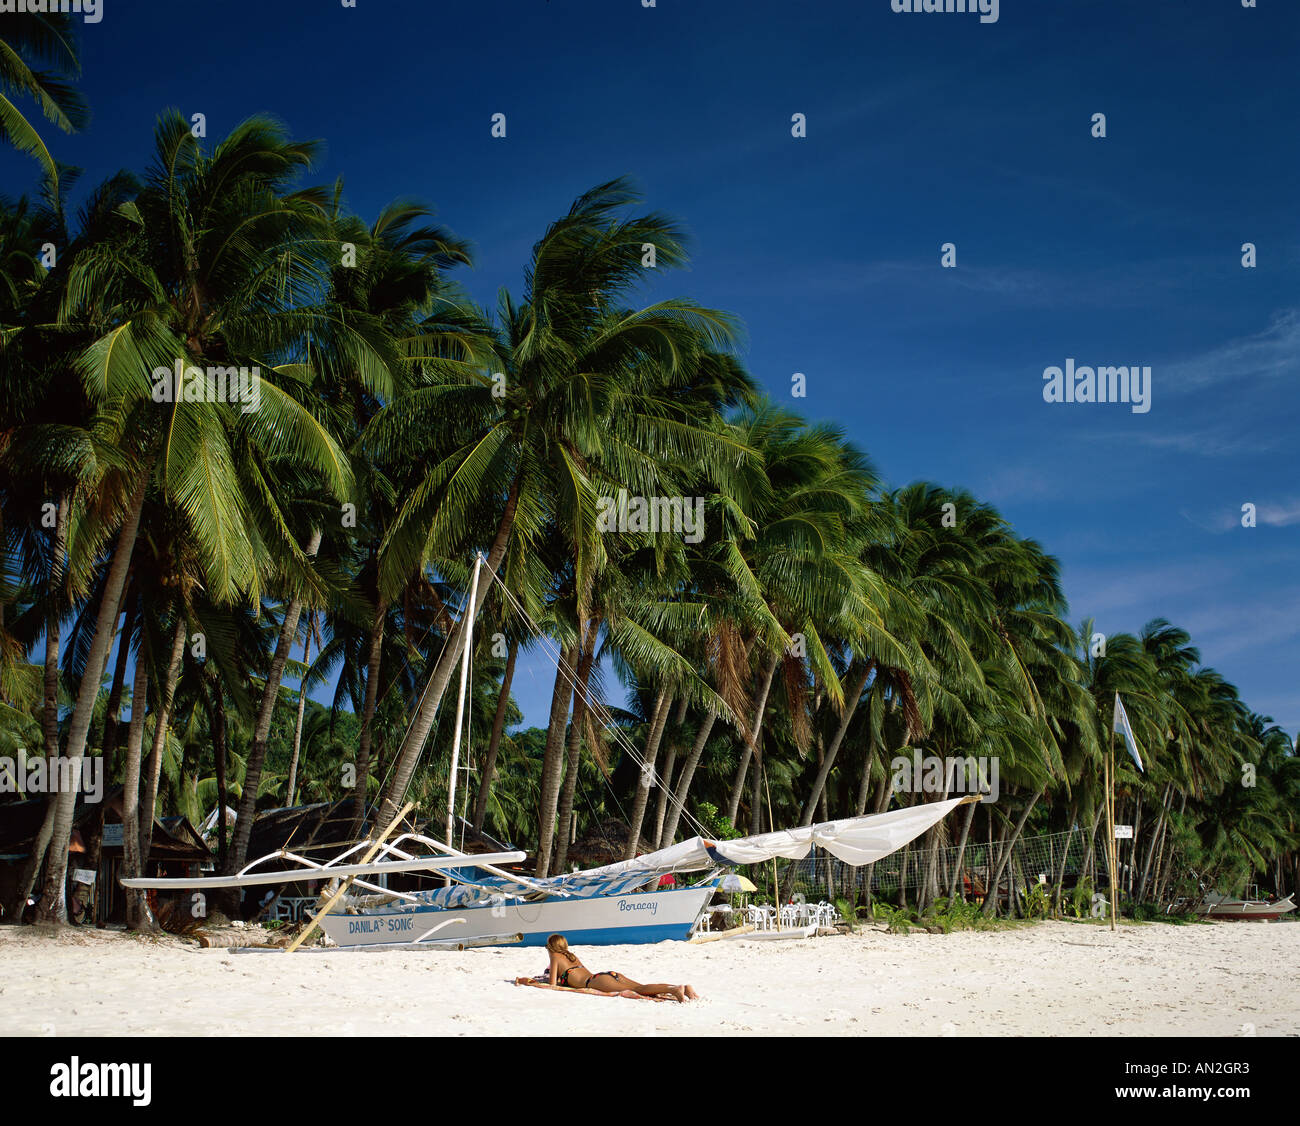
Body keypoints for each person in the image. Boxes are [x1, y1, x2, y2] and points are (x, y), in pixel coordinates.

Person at [515, 934, 699, 1001]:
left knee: (640, 989)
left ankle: (674, 989)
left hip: (596, 981)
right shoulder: (571, 955)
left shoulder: (555, 956)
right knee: (640, 987)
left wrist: (535, 981)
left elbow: (553, 983)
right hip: (605, 975)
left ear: (551, 946)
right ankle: (683, 988)